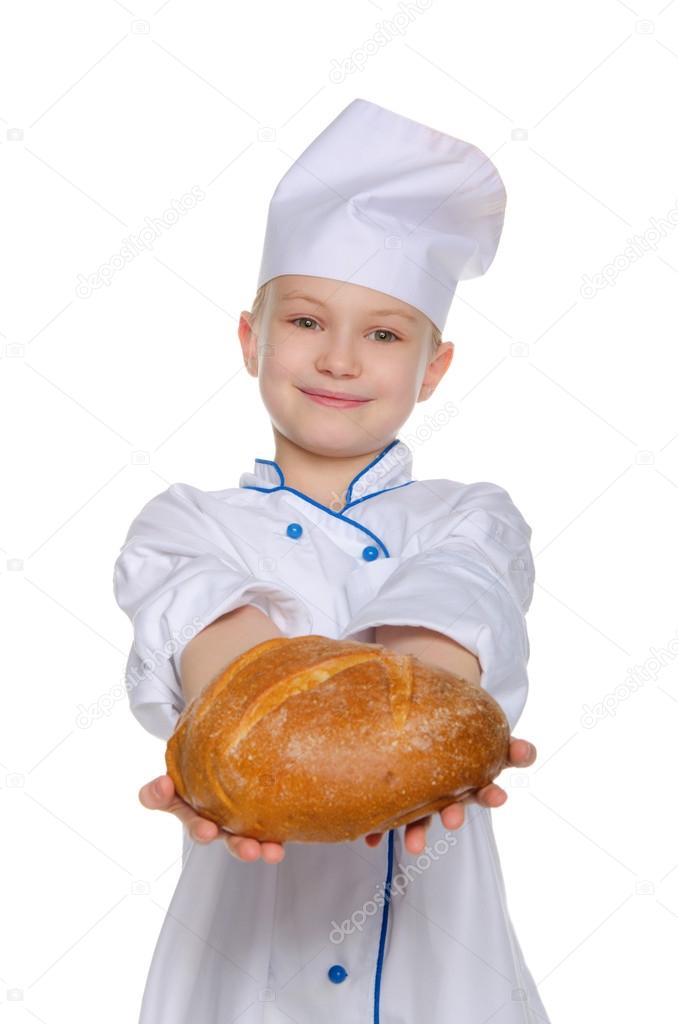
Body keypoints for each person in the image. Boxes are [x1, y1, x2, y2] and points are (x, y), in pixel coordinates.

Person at [114, 98, 551, 1023]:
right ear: (251, 339)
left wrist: (418, 738)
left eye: (386, 333)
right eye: (308, 320)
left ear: (433, 369)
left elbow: (453, 615)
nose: (341, 359)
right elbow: (218, 652)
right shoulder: (185, 523)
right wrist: (239, 755)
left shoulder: (471, 515)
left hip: (448, 978)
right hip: (240, 982)